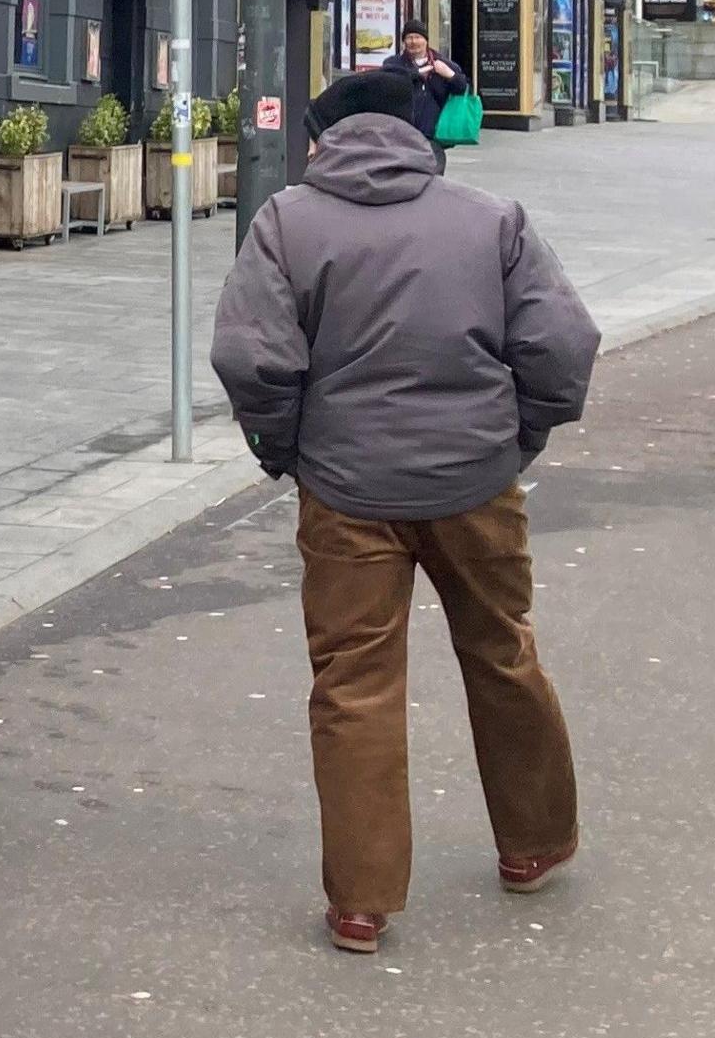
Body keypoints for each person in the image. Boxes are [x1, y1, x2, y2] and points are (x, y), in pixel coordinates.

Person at [210, 68, 599, 955]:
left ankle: (362, 900)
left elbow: (250, 354)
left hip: (346, 490)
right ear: (416, 131)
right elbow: (563, 343)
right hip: (476, 480)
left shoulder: (287, 223)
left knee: (354, 682)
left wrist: (286, 448)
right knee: (504, 650)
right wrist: (519, 435)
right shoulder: (491, 219)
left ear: (325, 137)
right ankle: (535, 844)